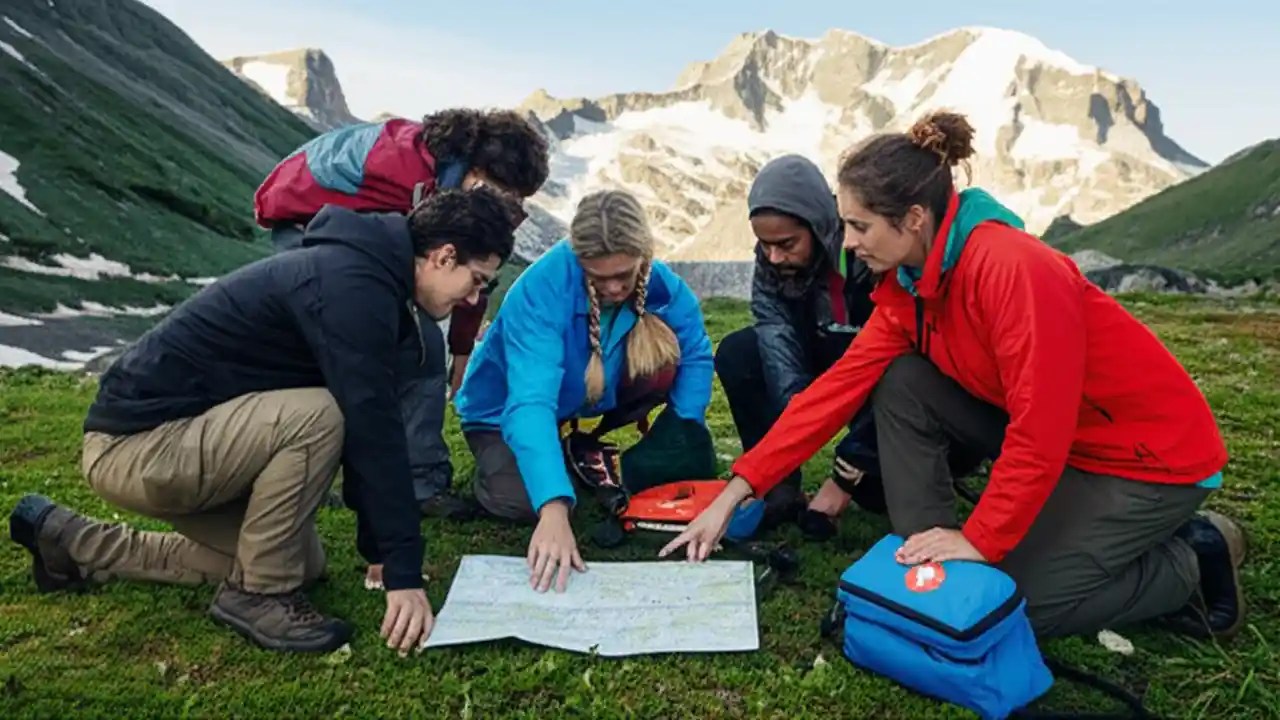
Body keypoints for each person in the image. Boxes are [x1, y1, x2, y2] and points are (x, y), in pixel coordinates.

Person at [661, 111, 1247, 641]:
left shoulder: (1011, 269)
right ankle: (929, 556)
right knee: (902, 380)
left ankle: (1193, 558)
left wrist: (983, 539)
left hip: (1144, 457)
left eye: (860, 227)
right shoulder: (907, 289)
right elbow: (830, 395)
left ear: (913, 219)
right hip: (1066, 443)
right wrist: (739, 488)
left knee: (1019, 606)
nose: (851, 243)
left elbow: (1041, 426)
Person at [8, 187, 521, 654]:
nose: (474, 299)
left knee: (302, 562)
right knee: (320, 416)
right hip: (138, 446)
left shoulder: (365, 276)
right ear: (442, 256)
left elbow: (371, 418)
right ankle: (259, 595)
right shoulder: (353, 286)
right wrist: (403, 573)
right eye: (476, 282)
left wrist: (381, 549)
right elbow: (371, 425)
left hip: (179, 441)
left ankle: (71, 541)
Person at [254, 107, 550, 519]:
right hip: (307, 227)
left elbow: (473, 262)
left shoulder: (461, 186)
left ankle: (420, 482)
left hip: (350, 233)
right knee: (348, 355)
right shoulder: (401, 169)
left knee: (422, 345)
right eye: (504, 191)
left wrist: (462, 351)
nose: (508, 204)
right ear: (477, 169)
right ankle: (313, 475)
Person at [453, 188, 715, 594]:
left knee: (667, 363)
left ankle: (575, 449)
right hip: (502, 410)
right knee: (522, 501)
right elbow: (529, 403)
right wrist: (554, 509)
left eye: (623, 276)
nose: (613, 289)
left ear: (642, 257)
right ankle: (505, 466)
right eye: (599, 278)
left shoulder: (657, 279)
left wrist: (682, 429)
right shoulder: (540, 291)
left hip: (578, 397)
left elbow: (696, 352)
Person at [713, 154, 880, 535]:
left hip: (873, 368)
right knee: (740, 352)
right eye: (765, 245)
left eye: (787, 243)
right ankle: (777, 487)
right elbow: (776, 340)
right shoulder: (771, 259)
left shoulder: (868, 251)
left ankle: (856, 471)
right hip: (816, 352)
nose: (774, 256)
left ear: (819, 226)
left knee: (875, 495)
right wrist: (795, 432)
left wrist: (846, 473)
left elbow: (896, 363)